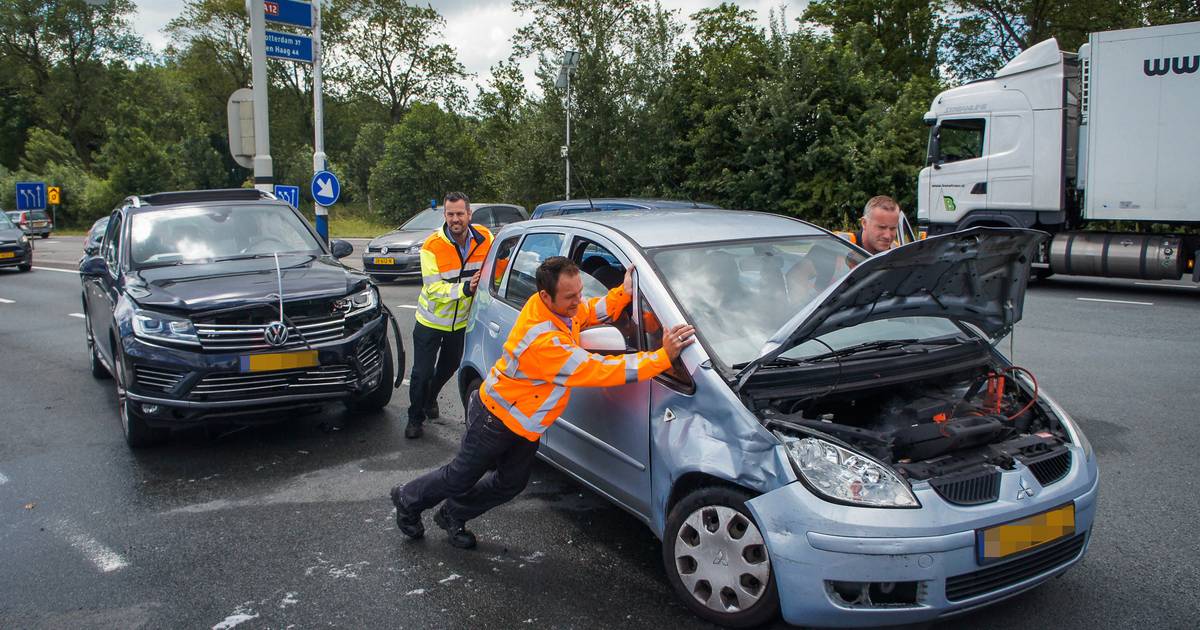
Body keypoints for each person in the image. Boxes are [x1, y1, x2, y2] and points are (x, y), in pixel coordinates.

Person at [390, 256, 696, 549]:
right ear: (546, 297)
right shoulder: (544, 341)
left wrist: (623, 294)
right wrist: (661, 357)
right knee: (460, 476)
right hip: (495, 419)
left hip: (526, 422)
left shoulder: (557, 310)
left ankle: (453, 514)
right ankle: (407, 499)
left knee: (511, 482)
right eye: (569, 297)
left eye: (579, 292)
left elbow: (588, 310)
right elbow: (599, 370)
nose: (577, 301)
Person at [406, 191, 494, 439]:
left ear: (469, 214)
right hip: (431, 321)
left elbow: (497, 265)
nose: (455, 219)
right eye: (450, 214)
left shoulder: (485, 238)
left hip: (461, 323)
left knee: (448, 367)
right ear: (445, 215)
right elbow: (433, 289)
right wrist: (467, 288)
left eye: (459, 214)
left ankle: (430, 398)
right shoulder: (432, 246)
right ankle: (415, 418)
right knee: (421, 372)